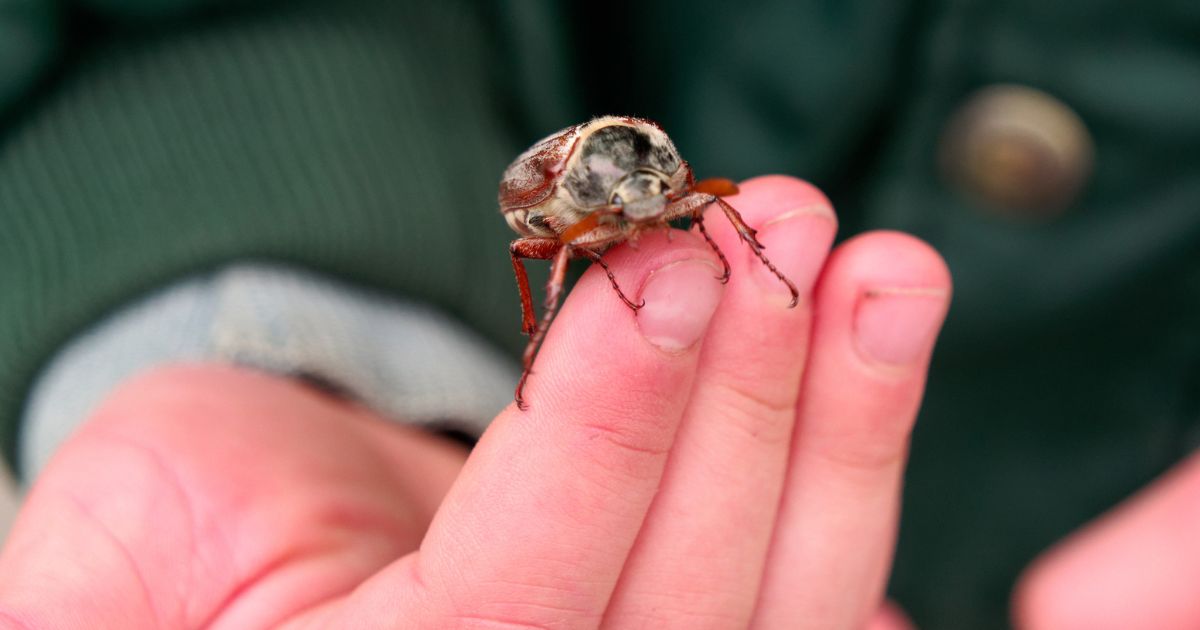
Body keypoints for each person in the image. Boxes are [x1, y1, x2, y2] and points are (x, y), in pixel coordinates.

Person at [1, 1, 1197, 628]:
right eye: (638, 203)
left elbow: (690, 200)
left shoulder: (663, 179)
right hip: (464, 240)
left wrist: (713, 232)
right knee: (601, 277)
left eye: (655, 198)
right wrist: (274, 336)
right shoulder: (574, 207)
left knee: (732, 228)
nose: (653, 212)